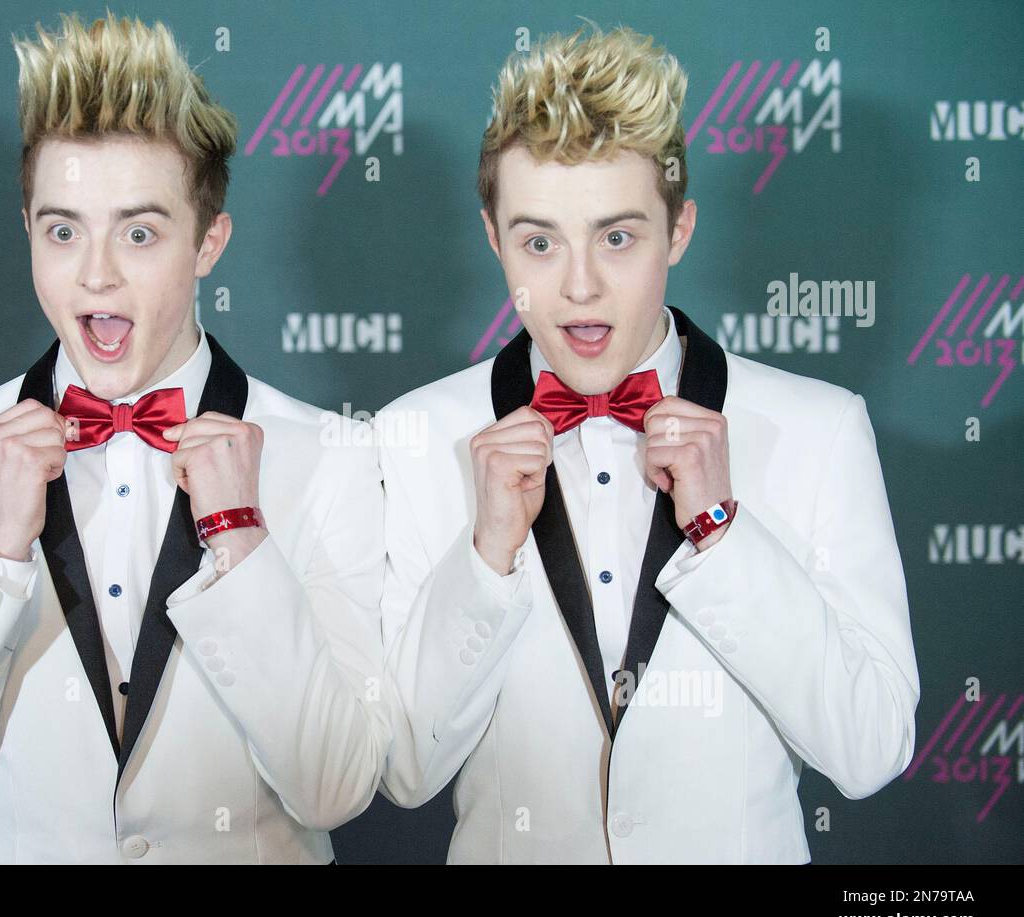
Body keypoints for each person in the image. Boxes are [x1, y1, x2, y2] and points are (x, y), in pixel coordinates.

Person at [0, 12, 388, 864]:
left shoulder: (328, 456)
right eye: (64, 230)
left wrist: (242, 543)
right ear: (27, 229)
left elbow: (336, 787)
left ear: (209, 242)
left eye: (139, 232)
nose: (96, 273)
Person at [376, 22, 919, 863]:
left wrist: (724, 536)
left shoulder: (821, 427)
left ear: (682, 229)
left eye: (618, 238)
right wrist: (484, 557)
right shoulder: (416, 437)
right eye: (540, 242)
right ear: (493, 237)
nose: (581, 285)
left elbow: (871, 749)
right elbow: (404, 770)